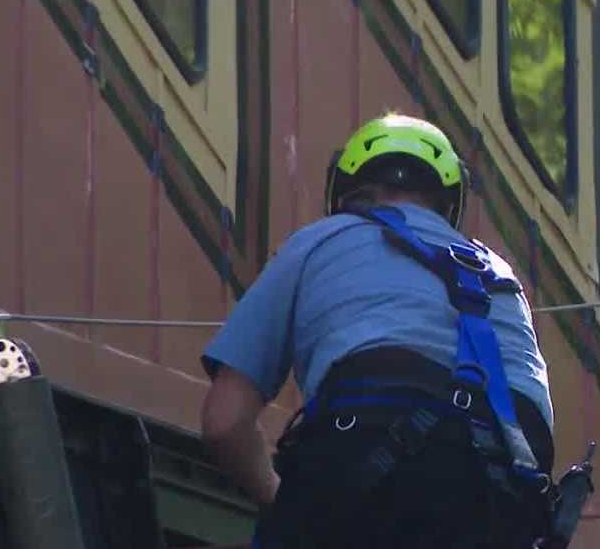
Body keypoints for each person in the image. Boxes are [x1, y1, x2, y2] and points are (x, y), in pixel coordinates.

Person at [199, 113, 556, 548]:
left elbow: (224, 422)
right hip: (502, 497)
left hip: (362, 457)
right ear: (448, 203)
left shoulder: (321, 241)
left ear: (348, 190)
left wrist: (283, 504)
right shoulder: (498, 275)